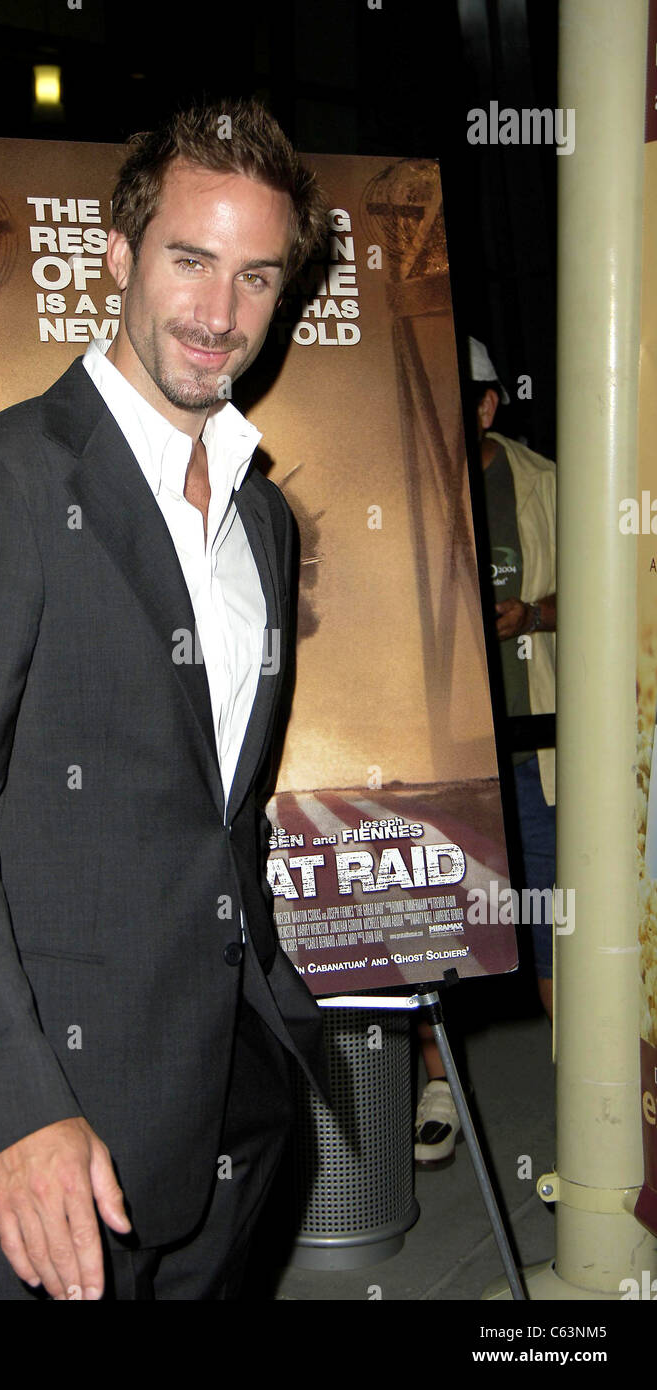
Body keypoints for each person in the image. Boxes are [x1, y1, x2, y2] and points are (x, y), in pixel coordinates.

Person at [0, 98, 331, 1300]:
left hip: (233, 1108)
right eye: (188, 260)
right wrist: (16, 1112)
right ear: (118, 257)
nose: (219, 315)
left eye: (257, 276)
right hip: (56, 1150)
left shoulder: (260, 519)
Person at [414, 337, 557, 1166]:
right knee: (437, 919)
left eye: (455, 402)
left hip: (533, 750)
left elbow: (626, 581)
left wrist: (530, 615)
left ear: (486, 406)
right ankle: (441, 1083)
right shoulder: (403, 485)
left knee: (547, 910)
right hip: (439, 752)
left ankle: (583, 1086)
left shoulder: (545, 486)